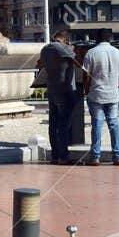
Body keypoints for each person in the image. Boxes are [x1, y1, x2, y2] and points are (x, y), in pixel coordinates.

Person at [81, 30, 119, 166]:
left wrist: (86, 90)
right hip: (113, 94)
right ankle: (118, 156)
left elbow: (86, 75)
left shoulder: (91, 53)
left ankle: (95, 156)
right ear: (110, 38)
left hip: (96, 94)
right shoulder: (118, 53)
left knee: (97, 125)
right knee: (114, 124)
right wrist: (118, 86)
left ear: (97, 38)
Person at [37, 30, 81, 164]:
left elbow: (39, 64)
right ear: (65, 39)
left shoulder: (45, 49)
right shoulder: (62, 48)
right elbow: (78, 63)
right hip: (65, 90)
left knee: (53, 123)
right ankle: (64, 155)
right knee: (64, 125)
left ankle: (55, 155)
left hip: (52, 90)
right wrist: (71, 48)